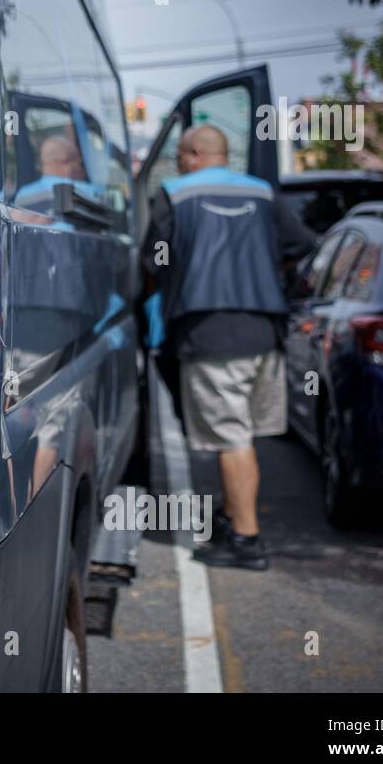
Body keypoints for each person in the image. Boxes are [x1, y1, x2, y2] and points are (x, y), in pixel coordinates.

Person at [141, 124, 314, 570]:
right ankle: (233, 517)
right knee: (239, 437)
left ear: (196, 153)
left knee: (232, 439)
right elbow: (302, 244)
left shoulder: (173, 195)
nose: (178, 164)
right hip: (264, 333)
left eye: (180, 155)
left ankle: (247, 542)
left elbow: (153, 261)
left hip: (211, 331)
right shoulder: (262, 193)